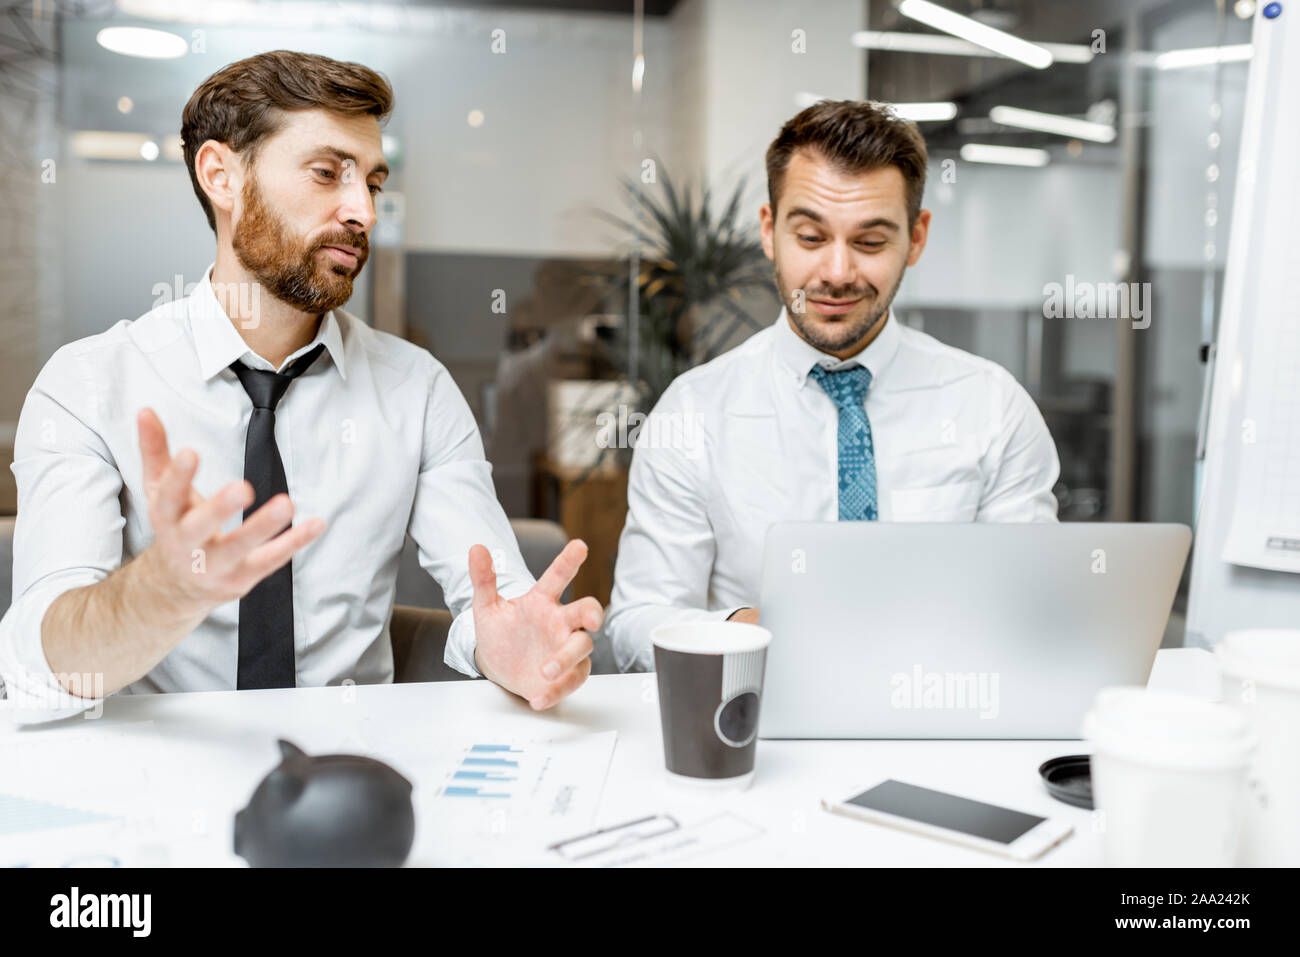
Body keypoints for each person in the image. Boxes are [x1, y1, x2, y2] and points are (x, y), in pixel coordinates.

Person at [0, 50, 601, 723]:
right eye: (326, 173)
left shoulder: (417, 391)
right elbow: (34, 670)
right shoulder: (87, 385)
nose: (363, 211)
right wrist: (158, 592)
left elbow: (495, 602)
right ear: (221, 175)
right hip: (154, 786)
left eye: (372, 182)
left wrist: (508, 648)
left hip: (357, 776)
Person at [605, 100, 1061, 672]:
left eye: (870, 242)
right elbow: (636, 621)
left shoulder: (992, 406)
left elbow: (1035, 607)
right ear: (770, 231)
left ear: (916, 238)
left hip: (944, 721)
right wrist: (748, 630)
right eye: (811, 236)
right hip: (758, 726)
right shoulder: (693, 414)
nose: (839, 273)